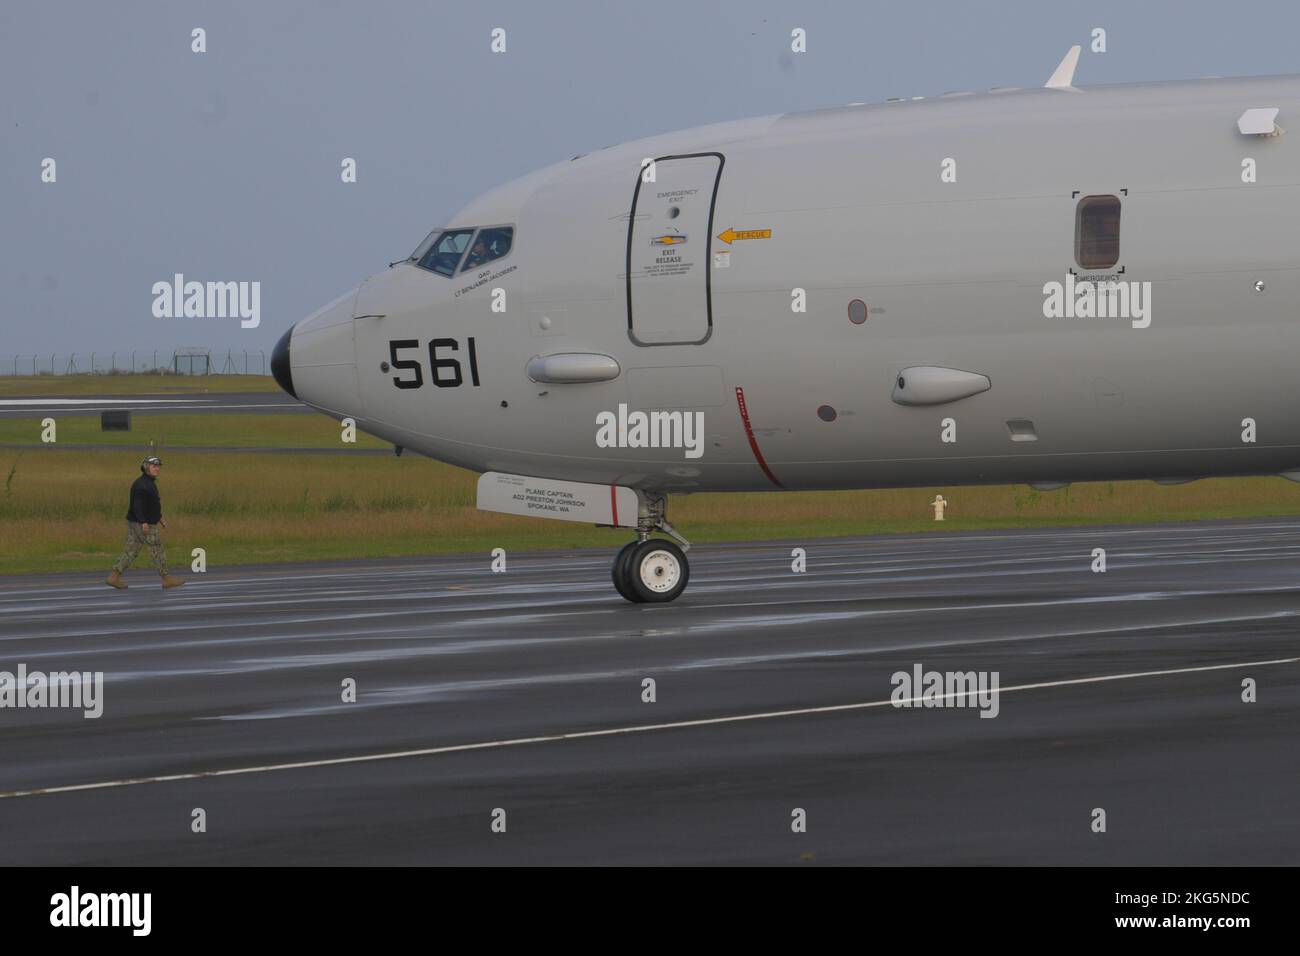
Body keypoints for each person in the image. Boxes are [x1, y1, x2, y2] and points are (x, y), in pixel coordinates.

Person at [106, 456, 185, 589]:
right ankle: (167, 579)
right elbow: (137, 506)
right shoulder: (142, 484)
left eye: (158, 466)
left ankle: (114, 576)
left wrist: (159, 517)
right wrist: (143, 522)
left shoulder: (149, 483)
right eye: (153, 466)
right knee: (157, 549)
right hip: (143, 524)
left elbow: (152, 504)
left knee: (131, 550)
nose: (157, 469)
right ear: (145, 467)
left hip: (141, 522)